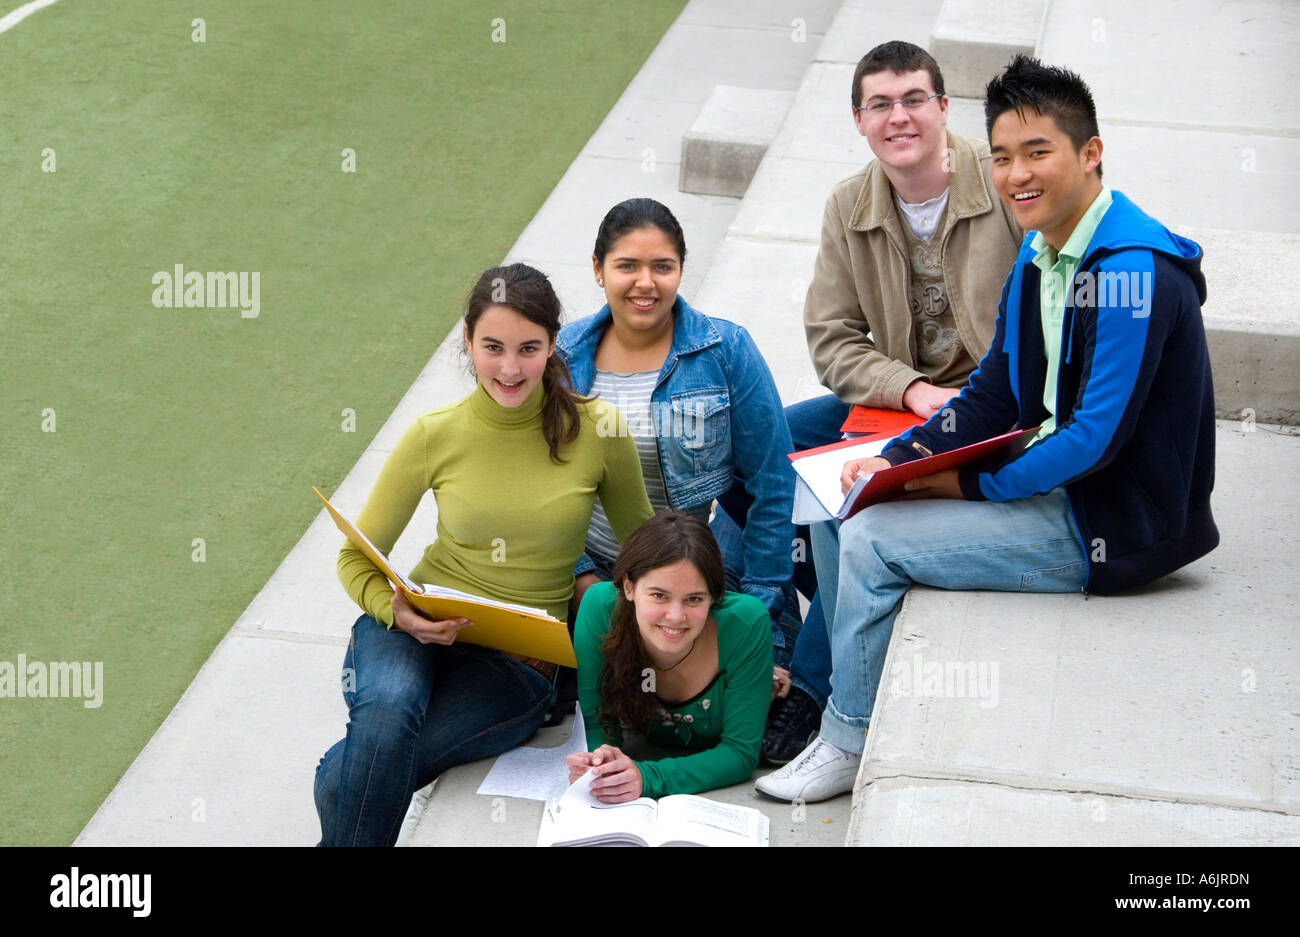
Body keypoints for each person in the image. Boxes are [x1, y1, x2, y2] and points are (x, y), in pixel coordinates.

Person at [756, 55, 1218, 803]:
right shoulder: (1042, 252)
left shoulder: (1133, 271)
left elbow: (1094, 438)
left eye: (1038, 152)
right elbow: (993, 393)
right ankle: (842, 700)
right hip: (1053, 482)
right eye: (1002, 156)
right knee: (852, 505)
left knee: (872, 541)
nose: (1015, 175)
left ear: (1090, 153)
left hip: (1113, 524)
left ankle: (844, 738)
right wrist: (900, 458)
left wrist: (968, 483)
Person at [313, 263, 653, 845]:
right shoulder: (434, 434)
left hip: (518, 665)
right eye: (492, 347)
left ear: (552, 346)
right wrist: (396, 611)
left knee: (344, 778)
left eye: (528, 348)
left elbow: (648, 552)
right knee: (388, 714)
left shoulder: (600, 430)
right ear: (467, 342)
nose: (510, 368)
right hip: (412, 625)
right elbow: (355, 557)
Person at [754, 40, 1024, 765]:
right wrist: (910, 389)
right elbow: (832, 338)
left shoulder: (999, 185)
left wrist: (960, 400)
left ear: (942, 107)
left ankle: (811, 692)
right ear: (859, 119)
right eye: (880, 104)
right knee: (758, 447)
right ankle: (768, 645)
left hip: (990, 409)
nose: (898, 117)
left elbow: (1042, 319)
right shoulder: (850, 204)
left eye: (913, 99)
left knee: (852, 502)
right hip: (903, 398)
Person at [557, 197, 798, 695]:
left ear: (681, 270)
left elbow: (773, 483)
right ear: (599, 270)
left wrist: (757, 607)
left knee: (740, 695)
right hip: (595, 575)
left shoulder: (725, 351)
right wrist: (582, 580)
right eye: (627, 266)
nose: (646, 283)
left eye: (662, 267)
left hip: (691, 575)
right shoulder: (565, 355)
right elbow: (540, 482)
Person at [567, 513, 772, 801]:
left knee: (739, 519)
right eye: (659, 595)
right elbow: (598, 718)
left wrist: (647, 777)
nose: (675, 617)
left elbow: (740, 754)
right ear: (629, 588)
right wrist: (601, 764)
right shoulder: (600, 607)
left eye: (694, 599)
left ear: (713, 598)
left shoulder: (746, 624)